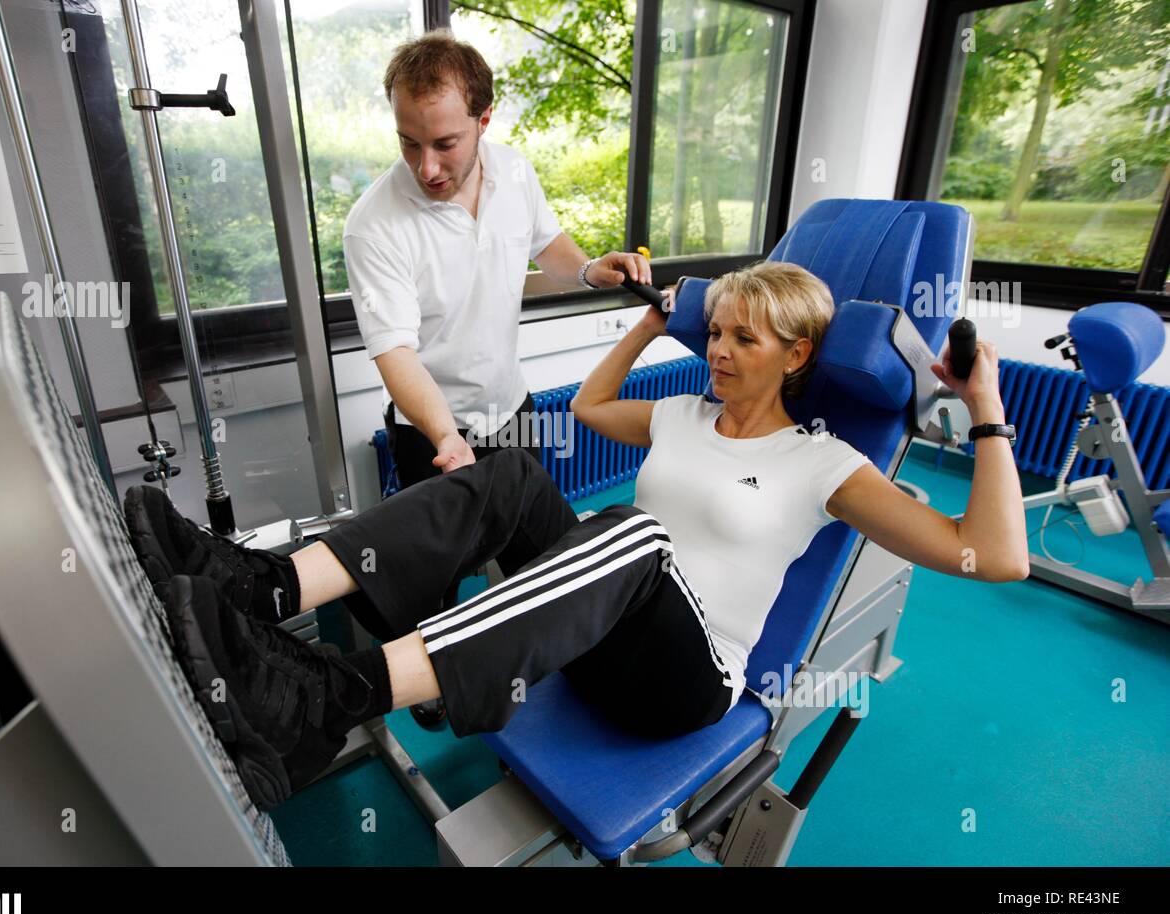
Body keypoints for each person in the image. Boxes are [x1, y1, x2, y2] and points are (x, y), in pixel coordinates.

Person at [125, 261, 1028, 811]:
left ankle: (325, 697)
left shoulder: (824, 463)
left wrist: (984, 408)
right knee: (512, 472)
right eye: (713, 332)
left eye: (741, 339)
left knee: (634, 534)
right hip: (594, 629)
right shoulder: (680, 411)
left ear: (796, 355)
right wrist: (652, 320)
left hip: (684, 681)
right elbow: (593, 406)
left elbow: (990, 555)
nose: (716, 351)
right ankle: (265, 588)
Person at [344, 29, 652, 724]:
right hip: (430, 431)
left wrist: (590, 269)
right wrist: (447, 438)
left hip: (514, 414)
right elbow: (396, 355)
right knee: (434, 580)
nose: (427, 166)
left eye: (445, 143)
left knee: (539, 565)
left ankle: (545, 668)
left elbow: (547, 244)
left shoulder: (513, 169)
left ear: (485, 120)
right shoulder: (375, 224)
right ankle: (430, 693)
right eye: (409, 143)